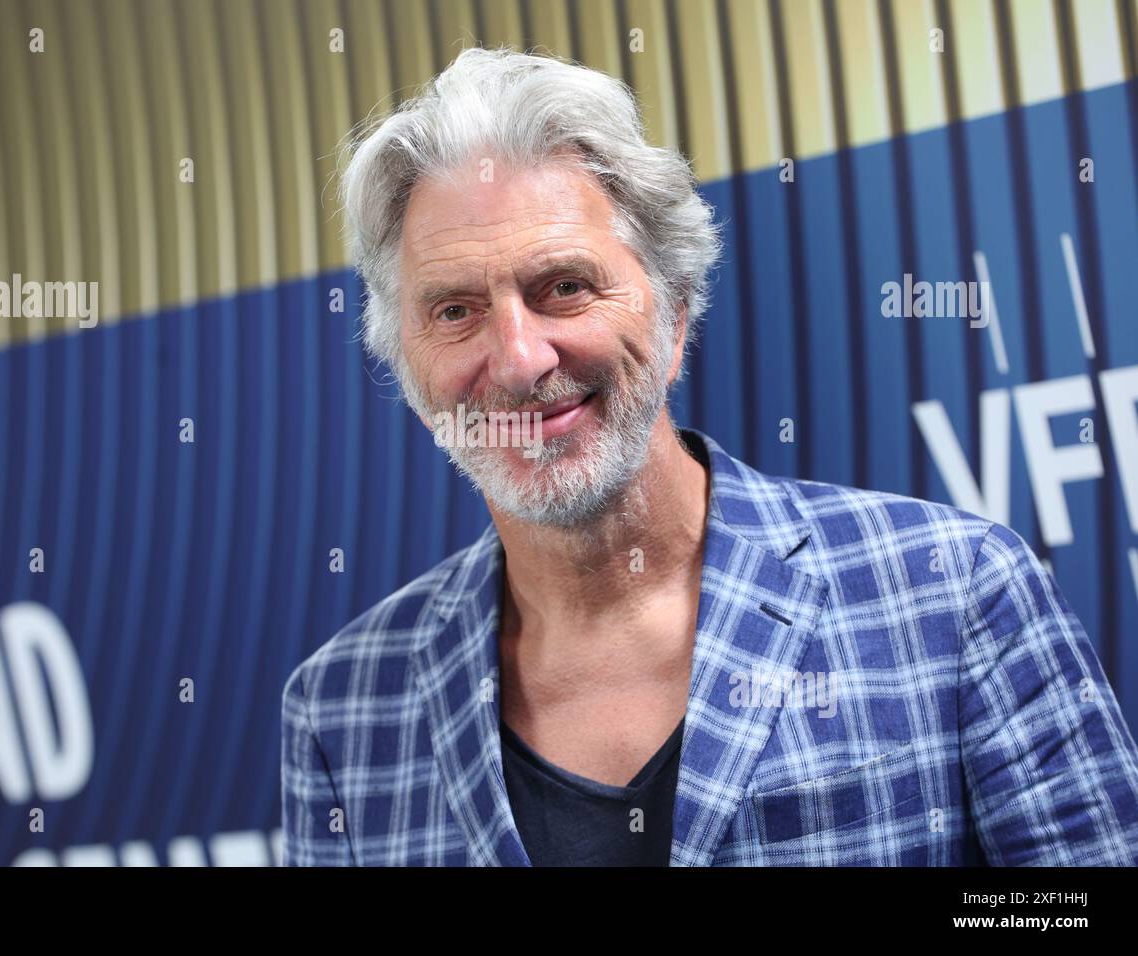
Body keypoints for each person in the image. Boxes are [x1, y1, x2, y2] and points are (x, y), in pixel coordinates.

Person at [281, 47, 1138, 866]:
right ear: (405, 360)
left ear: (676, 313)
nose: (517, 360)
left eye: (564, 288)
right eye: (456, 312)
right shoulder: (343, 708)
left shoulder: (954, 594)